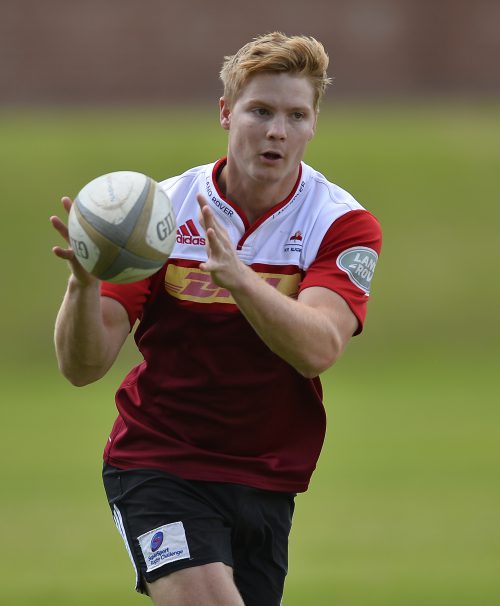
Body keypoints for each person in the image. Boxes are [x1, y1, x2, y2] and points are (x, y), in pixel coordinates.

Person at [51, 32, 382, 606]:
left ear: (313, 125)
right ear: (227, 113)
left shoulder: (340, 223)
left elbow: (319, 348)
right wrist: (82, 287)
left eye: (296, 115)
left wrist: (239, 278)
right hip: (158, 462)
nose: (277, 130)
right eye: (260, 111)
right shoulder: (158, 215)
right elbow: (82, 366)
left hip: (267, 475)